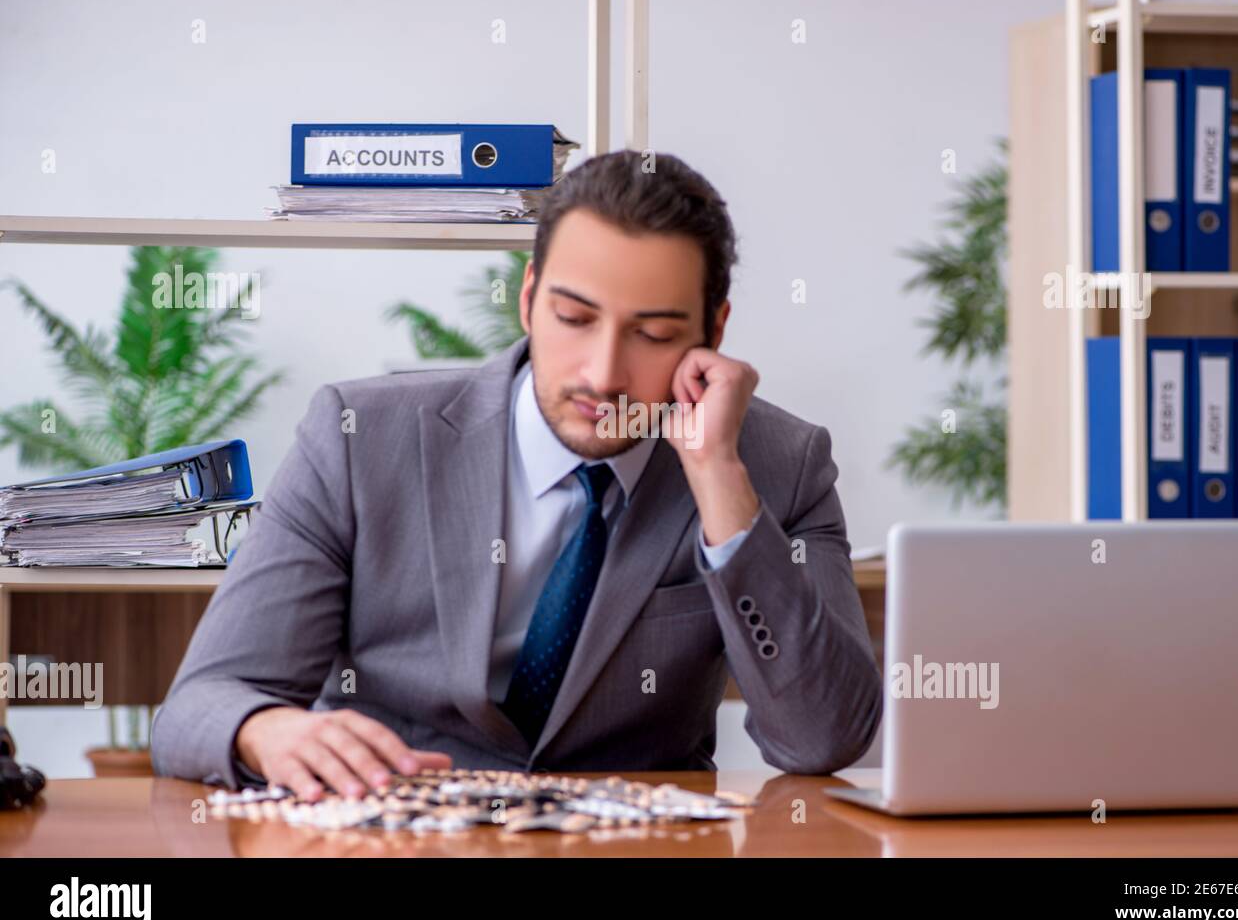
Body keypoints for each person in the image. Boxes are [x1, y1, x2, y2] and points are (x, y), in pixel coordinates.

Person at [152, 150, 882, 799]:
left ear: (712, 332)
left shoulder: (780, 466)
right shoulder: (357, 439)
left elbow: (823, 737)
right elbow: (198, 705)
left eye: (653, 334)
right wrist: (266, 730)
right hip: (394, 835)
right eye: (574, 317)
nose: (603, 373)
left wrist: (720, 480)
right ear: (529, 298)